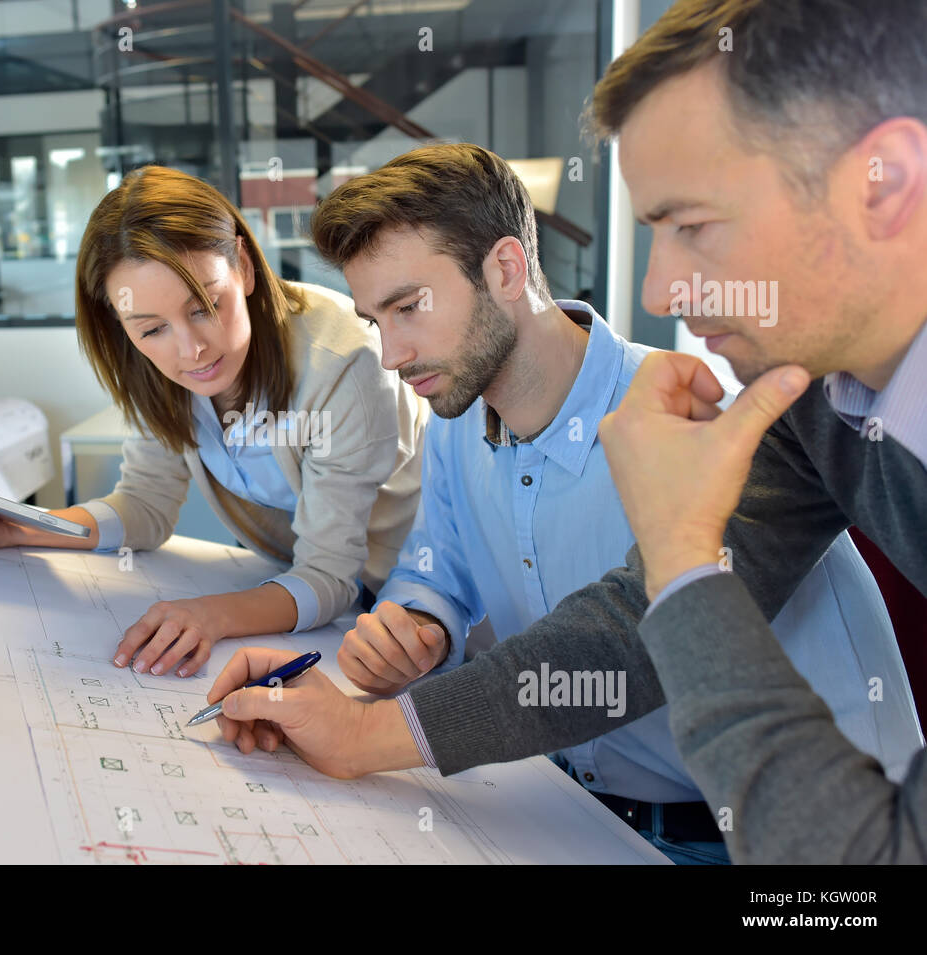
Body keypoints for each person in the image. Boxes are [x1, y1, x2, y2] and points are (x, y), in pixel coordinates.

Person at [201, 143, 923, 864]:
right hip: (580, 812)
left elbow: (623, 643)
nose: (390, 353)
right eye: (374, 320)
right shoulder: (455, 429)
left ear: (507, 269)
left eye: (409, 306)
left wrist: (368, 734)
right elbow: (437, 572)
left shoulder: (686, 417)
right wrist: (418, 619)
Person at [587, 0, 927, 862]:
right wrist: (383, 729)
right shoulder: (811, 391)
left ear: (883, 182)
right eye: (653, 235)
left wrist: (680, 548)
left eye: (692, 225)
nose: (658, 291)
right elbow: (630, 626)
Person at [0, 165, 425, 679]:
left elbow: (334, 576)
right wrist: (15, 527)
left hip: (409, 605)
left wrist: (211, 615)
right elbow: (145, 507)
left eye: (204, 306)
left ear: (241, 263)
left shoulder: (346, 364)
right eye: (151, 330)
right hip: (305, 596)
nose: (192, 350)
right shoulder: (154, 368)